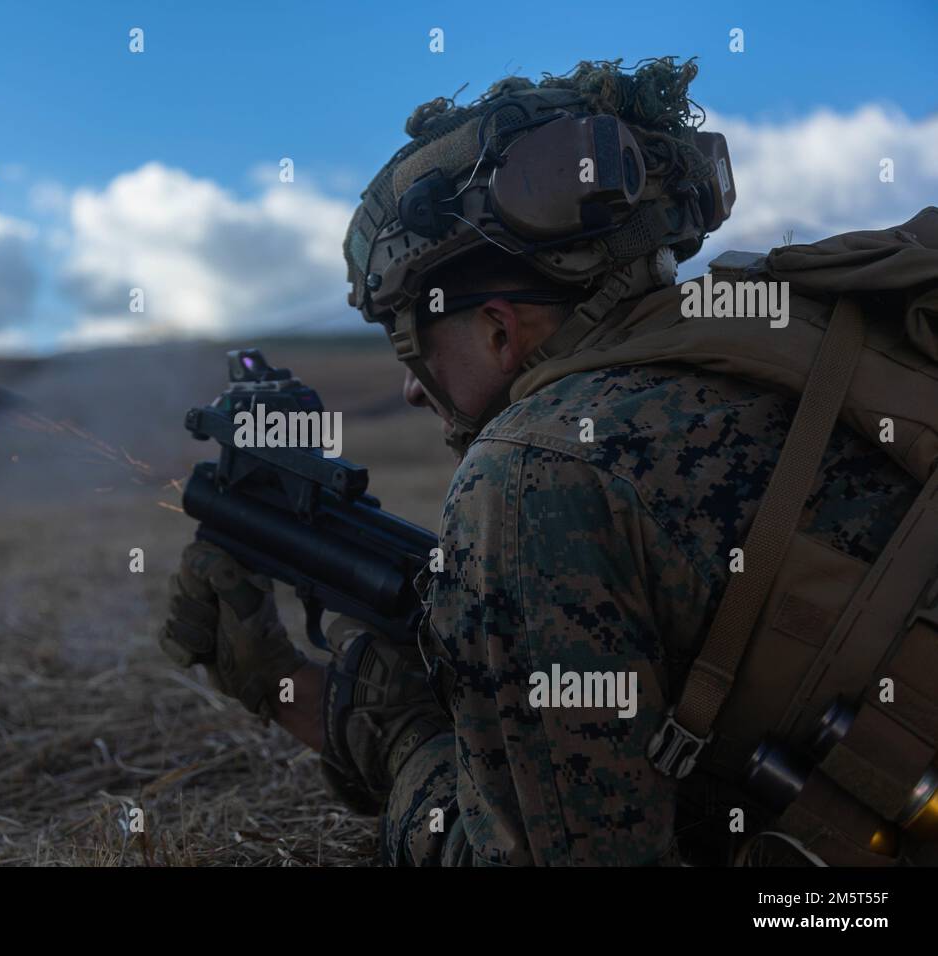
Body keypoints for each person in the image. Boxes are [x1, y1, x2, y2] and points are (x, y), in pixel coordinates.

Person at [158, 58, 932, 865]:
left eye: (411, 341)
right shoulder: (816, 337)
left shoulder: (535, 472)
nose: (413, 390)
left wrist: (381, 732)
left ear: (499, 328)